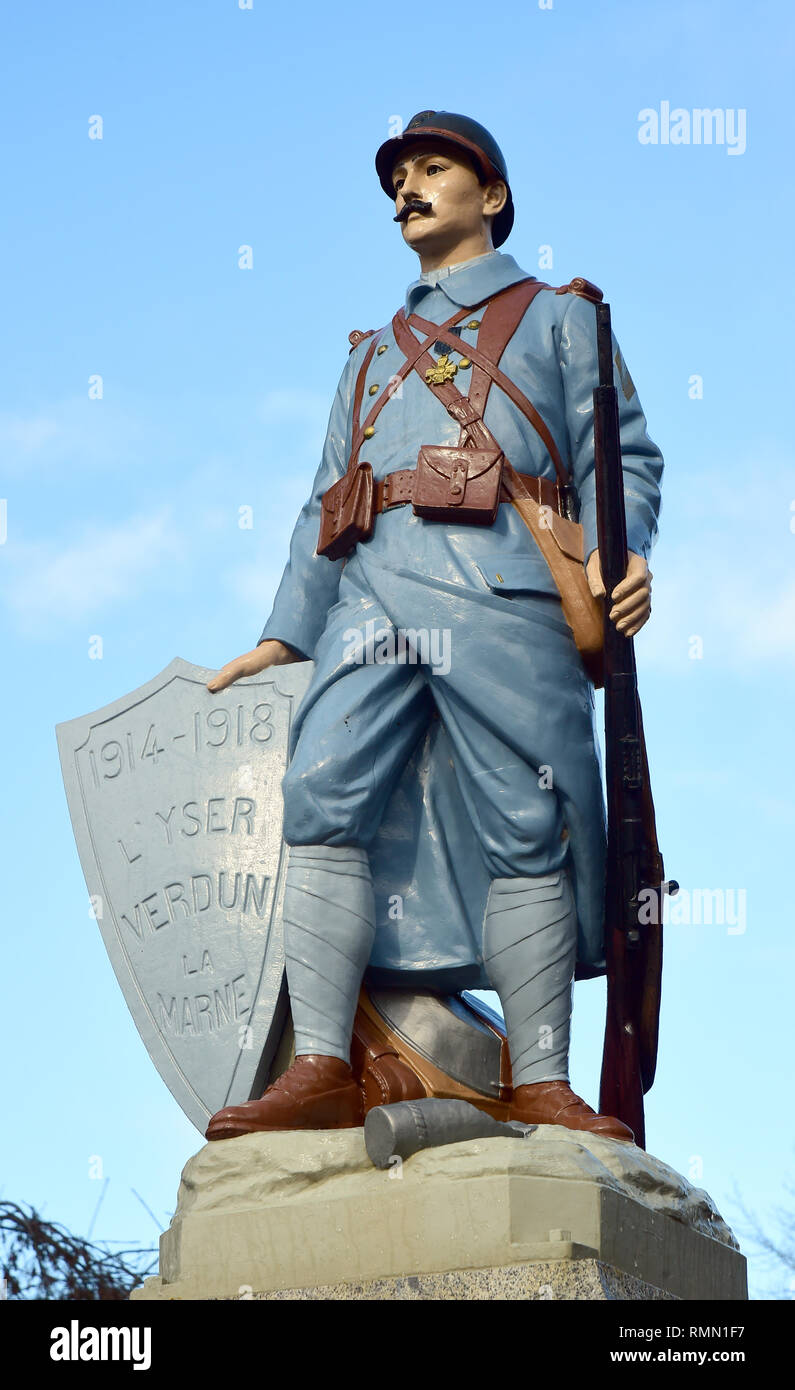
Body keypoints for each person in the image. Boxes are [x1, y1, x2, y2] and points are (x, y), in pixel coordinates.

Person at [204, 111, 663, 1144]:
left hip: (505, 595)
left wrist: (622, 552)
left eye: (435, 168)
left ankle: (541, 1078)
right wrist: (287, 630)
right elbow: (328, 496)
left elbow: (622, 460)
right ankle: (320, 1060)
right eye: (399, 175)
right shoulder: (366, 357)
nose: (409, 186)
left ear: (491, 196)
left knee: (524, 821)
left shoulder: (560, 316)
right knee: (320, 793)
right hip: (369, 596)